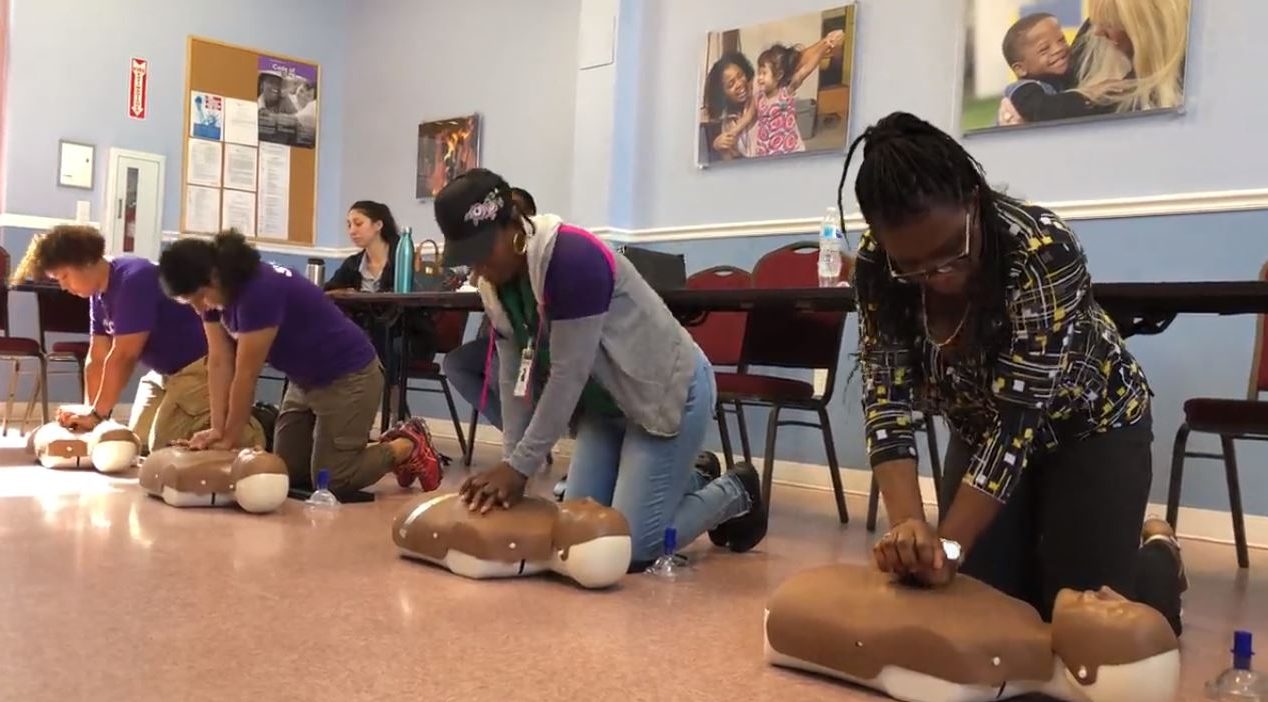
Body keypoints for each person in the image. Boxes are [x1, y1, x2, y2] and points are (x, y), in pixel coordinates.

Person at [843, 112, 1184, 635]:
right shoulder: (876, 268)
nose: (938, 277)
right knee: (983, 613)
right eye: (913, 266)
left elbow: (1015, 424)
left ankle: (1157, 558)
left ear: (973, 200)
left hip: (1090, 426)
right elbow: (886, 399)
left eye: (951, 252)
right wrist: (911, 530)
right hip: (979, 431)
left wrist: (948, 546)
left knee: (1083, 623)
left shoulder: (1041, 250)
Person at [434, 169, 766, 568]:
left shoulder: (571, 259)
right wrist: (511, 463)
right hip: (605, 409)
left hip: (662, 393)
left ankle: (737, 489)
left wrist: (519, 470)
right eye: (468, 258)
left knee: (630, 547)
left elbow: (566, 375)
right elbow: (513, 379)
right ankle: (690, 476)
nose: (478, 269)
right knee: (580, 531)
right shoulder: (495, 286)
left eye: (483, 251)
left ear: (512, 225)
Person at [156, 231, 442, 494]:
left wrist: (229, 439)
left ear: (214, 276)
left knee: (332, 480)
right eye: (189, 302)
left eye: (199, 297)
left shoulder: (258, 291)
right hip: (304, 380)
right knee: (287, 473)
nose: (198, 307)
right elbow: (218, 363)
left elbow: (245, 376)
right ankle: (371, 450)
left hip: (349, 376)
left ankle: (408, 444)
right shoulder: (215, 296)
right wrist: (217, 429)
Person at [8, 225, 263, 452]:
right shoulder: (98, 296)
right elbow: (97, 357)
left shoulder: (133, 278)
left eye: (64, 276)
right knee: (135, 442)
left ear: (85, 262)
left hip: (200, 368)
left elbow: (124, 356)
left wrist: (97, 415)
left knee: (162, 445)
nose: (63, 286)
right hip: (164, 374)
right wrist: (90, 418)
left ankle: (252, 431)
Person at [441, 185, 539, 432]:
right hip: (502, 341)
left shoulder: (546, 262)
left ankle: (527, 440)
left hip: (538, 344)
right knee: (461, 363)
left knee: (500, 371)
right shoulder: (489, 273)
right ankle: (514, 433)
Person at [729, 32, 846, 157]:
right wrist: (732, 132)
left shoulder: (786, 91)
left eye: (764, 73)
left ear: (778, 75)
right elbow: (748, 117)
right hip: (766, 151)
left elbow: (807, 69)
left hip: (790, 150)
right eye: (759, 73)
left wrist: (825, 47)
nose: (759, 78)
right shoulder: (758, 96)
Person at [997, 13, 1074, 125]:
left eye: (1061, 40)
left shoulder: (1062, 79)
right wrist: (1086, 98)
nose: (1058, 49)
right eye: (1044, 49)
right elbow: (1043, 111)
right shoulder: (1022, 91)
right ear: (1020, 69)